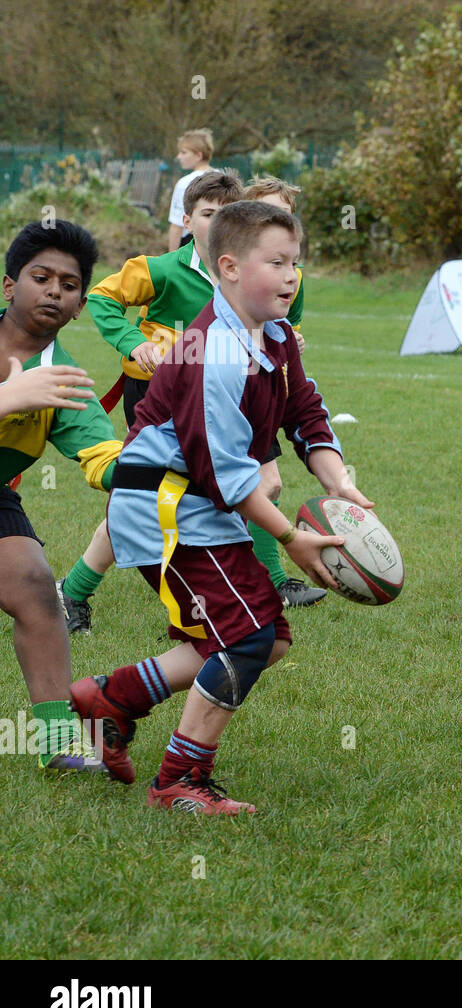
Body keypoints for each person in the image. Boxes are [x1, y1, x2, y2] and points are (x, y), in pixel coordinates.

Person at [70, 201, 371, 810]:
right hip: (166, 507)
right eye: (277, 262)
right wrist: (292, 538)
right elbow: (225, 475)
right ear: (229, 267)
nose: (292, 276)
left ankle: (111, 700)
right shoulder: (212, 352)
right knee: (249, 639)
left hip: (198, 504)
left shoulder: (276, 337)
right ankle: (179, 779)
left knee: (265, 638)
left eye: (297, 263)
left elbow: (305, 412)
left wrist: (337, 482)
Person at [55, 170, 244, 635]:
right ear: (186, 219)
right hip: (155, 397)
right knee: (156, 493)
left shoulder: (244, 276)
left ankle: (248, 591)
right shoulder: (161, 269)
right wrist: (130, 342)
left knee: (228, 489)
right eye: (207, 213)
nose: (217, 221)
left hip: (218, 397)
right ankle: (76, 590)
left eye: (227, 214)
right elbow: (101, 297)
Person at [0, 220, 122, 771]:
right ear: (9, 287)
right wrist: (7, 395)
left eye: (69, 285)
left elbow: (102, 456)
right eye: (40, 276)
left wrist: (166, 472)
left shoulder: (62, 380)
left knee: (34, 587)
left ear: (78, 307)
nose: (54, 290)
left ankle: (55, 743)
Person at [238, 175, 325, 606]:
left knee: (266, 483)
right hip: (212, 401)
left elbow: (287, 323)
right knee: (140, 510)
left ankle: (268, 582)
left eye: (286, 216)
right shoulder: (218, 279)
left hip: (262, 393)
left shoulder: (293, 275)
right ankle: (76, 586)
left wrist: (289, 338)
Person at [168, 129, 214, 252]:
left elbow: (177, 226)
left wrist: (171, 262)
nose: (179, 156)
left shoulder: (185, 183)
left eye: (183, 152)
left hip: (191, 246)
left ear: (198, 155)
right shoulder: (224, 178)